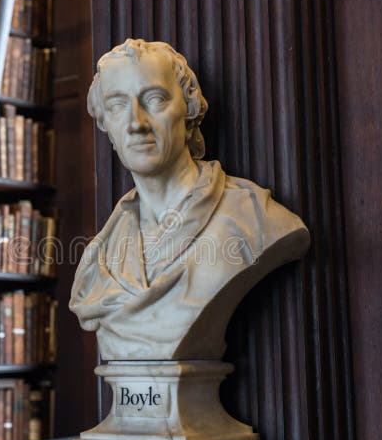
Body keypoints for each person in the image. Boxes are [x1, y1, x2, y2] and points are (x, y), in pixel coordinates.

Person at [70, 39, 310, 360]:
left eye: (154, 99)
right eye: (117, 105)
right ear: (105, 125)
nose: (135, 123)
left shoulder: (254, 219)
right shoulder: (98, 259)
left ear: (189, 111)